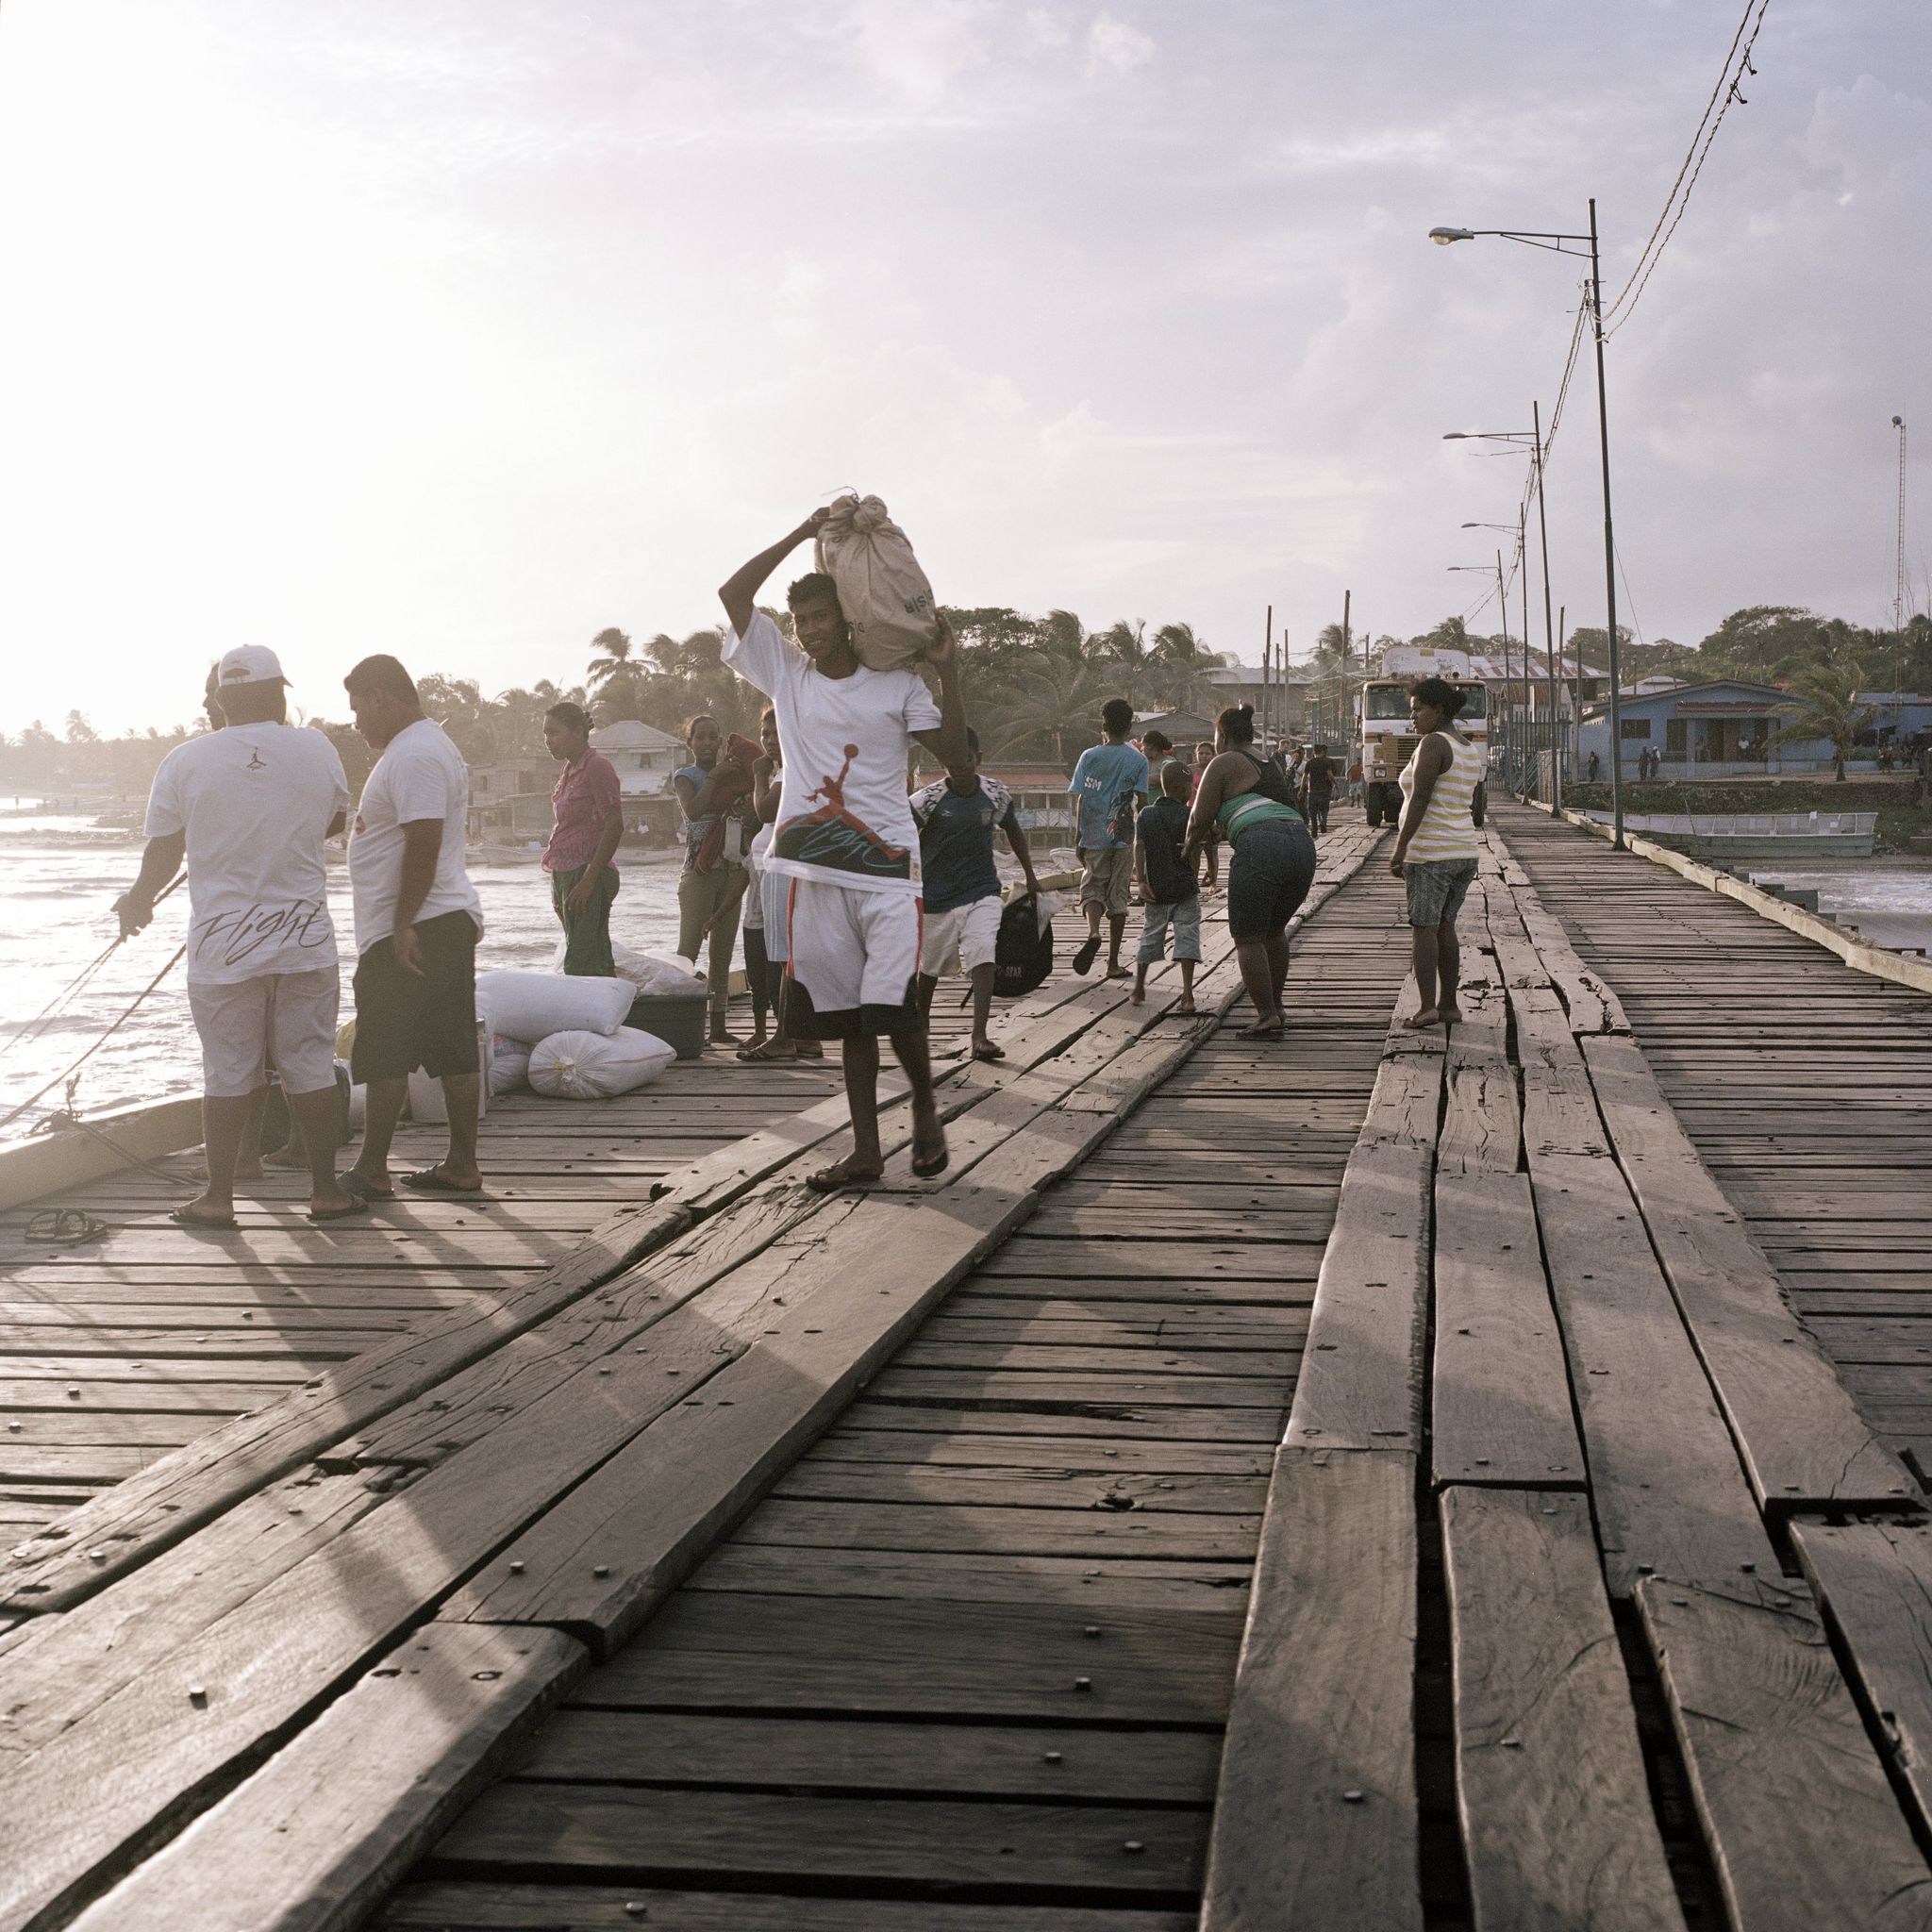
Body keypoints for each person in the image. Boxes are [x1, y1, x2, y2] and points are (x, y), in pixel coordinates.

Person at [718, 508, 969, 1190]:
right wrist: (802, 535)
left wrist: (948, 671)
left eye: (821, 616)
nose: (810, 630)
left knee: (896, 1011)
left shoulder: (898, 684)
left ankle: (922, 1103)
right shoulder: (788, 676)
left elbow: (960, 764)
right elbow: (733, 597)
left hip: (888, 872)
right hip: (813, 873)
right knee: (851, 1020)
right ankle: (865, 1151)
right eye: (801, 621)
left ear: (848, 615)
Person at [115, 645, 357, 1227]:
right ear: (280, 694)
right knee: (310, 1064)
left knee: (227, 1069)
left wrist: (137, 900)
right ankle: (325, 1192)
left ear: (220, 699)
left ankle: (219, 1198)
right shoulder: (317, 747)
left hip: (222, 948)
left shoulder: (184, 760)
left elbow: (165, 850)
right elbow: (333, 822)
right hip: (302, 939)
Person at [340, 654, 487, 1199]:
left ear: (382, 697)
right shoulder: (422, 747)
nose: (356, 723)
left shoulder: (417, 753)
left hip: (418, 923)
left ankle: (373, 1168)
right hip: (435, 918)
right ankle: (461, 1164)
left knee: (385, 1046)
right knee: (451, 1044)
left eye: (359, 709)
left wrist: (401, 923)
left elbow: (424, 842)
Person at [1184, 703, 1316, 1040]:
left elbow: (1198, 818)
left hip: (1263, 848)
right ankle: (1277, 1007)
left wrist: (1186, 853)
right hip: (1301, 846)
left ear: (1223, 735)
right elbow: (1261, 810)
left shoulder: (1224, 761)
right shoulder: (1267, 761)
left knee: (1247, 937)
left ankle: (1266, 1014)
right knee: (1273, 931)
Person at [911, 725, 1041, 1063]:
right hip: (936, 896)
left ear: (977, 759)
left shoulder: (995, 794)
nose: (961, 767)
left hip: (982, 889)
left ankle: (980, 1035)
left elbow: (1013, 829)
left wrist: (1030, 874)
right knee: (929, 968)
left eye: (967, 760)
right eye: (953, 761)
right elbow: (899, 835)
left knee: (983, 949)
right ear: (943, 763)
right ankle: (919, 1027)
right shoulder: (928, 799)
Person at [1389, 676, 1485, 1031]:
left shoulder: (1433, 743)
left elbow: (1420, 799)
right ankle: (1449, 1005)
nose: (1412, 717)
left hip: (1431, 851)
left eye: (1417, 710)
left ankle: (1427, 1007)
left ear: (1439, 710)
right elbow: (1465, 801)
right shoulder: (1466, 747)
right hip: (1463, 849)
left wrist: (1401, 847)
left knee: (1424, 929)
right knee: (1445, 926)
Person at [674, 715, 753, 1045]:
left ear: (721, 742)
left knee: (722, 956)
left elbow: (752, 814)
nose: (707, 743)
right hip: (699, 872)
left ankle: (718, 1027)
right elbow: (694, 811)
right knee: (688, 952)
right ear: (689, 743)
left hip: (732, 870)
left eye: (712, 737)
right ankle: (682, 1025)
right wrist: (715, 778)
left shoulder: (736, 776)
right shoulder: (685, 777)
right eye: (700, 737)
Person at [1067, 698, 1149, 977]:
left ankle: (1093, 932)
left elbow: (1083, 797)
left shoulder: (1089, 756)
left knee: (1091, 887)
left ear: (1103, 725)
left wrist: (1079, 834)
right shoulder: (1138, 759)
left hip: (1093, 832)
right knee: (1118, 896)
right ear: (1129, 727)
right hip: (1124, 835)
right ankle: (1113, 963)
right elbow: (1144, 802)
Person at [541, 701, 624, 976]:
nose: (548, 741)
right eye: (545, 734)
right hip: (565, 873)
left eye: (554, 733)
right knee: (589, 953)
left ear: (577, 732)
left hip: (589, 874)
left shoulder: (597, 767)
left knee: (582, 961)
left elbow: (614, 825)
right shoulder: (569, 769)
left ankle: (595, 1017)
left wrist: (589, 880)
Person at [1133, 760, 1200, 1013]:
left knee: (1150, 936)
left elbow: (1139, 848)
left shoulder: (1147, 814)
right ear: (1184, 789)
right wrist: (1196, 874)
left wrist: (1140, 880)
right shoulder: (1189, 815)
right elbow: (1195, 849)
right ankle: (1187, 995)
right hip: (1185, 889)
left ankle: (1139, 988)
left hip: (1156, 889)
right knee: (1187, 937)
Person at [1191, 740, 1220, 886]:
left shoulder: (1217, 769)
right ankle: (1193, 882)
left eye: (1207, 753)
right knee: (1194, 849)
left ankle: (1213, 882)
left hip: (1211, 813)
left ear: (1213, 755)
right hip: (1193, 813)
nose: (1203, 756)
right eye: (1200, 753)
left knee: (1211, 850)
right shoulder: (1189, 769)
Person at [1303, 742, 1337, 835]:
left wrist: (1301, 789)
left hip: (1312, 791)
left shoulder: (1309, 763)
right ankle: (1323, 823)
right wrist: (1335, 784)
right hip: (1325, 790)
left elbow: (1304, 777)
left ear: (1314, 752)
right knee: (1324, 809)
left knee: (1312, 811)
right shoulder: (1327, 762)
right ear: (1322, 752)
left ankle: (1314, 829)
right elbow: (1330, 774)